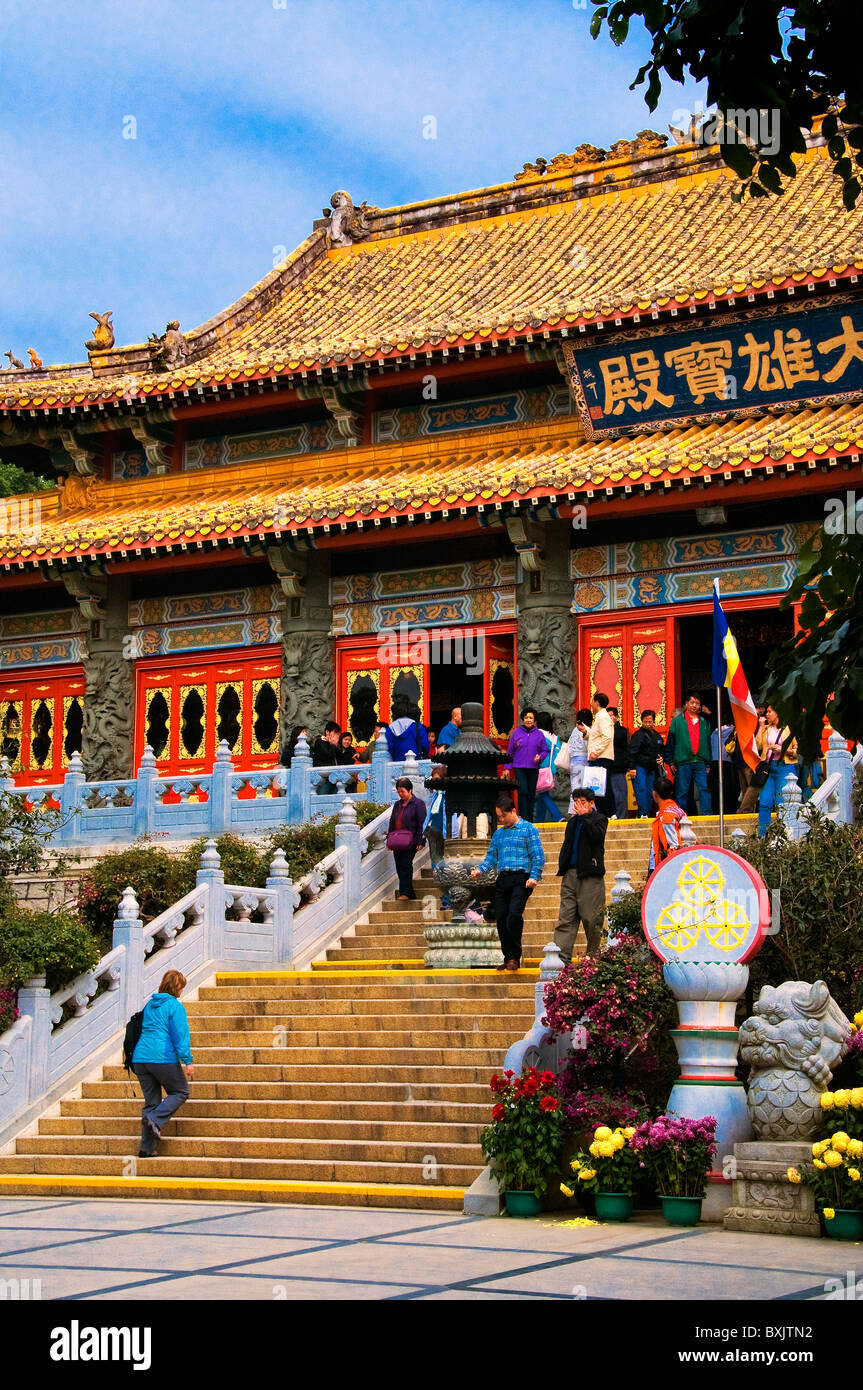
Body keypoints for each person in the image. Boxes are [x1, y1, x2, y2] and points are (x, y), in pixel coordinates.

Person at [471, 792, 544, 971]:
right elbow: (491, 856)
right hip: (503, 878)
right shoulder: (498, 834)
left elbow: (538, 856)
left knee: (513, 916)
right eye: (498, 817)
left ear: (513, 811)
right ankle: (508, 956)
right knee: (501, 918)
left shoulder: (529, 829)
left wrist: (534, 876)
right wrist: (481, 870)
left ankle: (515, 956)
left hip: (522, 878)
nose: (501, 819)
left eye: (503, 815)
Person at [132, 969, 194, 1158]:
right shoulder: (175, 1006)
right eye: (181, 987)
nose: (182, 991)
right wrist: (188, 1061)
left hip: (141, 1058)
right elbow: (180, 1035)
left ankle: (146, 1148)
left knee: (152, 1102)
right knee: (181, 1091)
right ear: (177, 987)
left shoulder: (150, 1004)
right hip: (162, 1057)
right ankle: (155, 1119)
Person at [553, 786, 608, 962]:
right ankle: (561, 960)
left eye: (582, 802)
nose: (579, 805)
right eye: (576, 802)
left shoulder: (599, 819)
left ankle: (593, 957)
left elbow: (596, 837)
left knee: (592, 919)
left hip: (590, 875)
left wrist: (586, 817)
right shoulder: (572, 822)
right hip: (570, 874)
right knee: (565, 919)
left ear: (592, 803)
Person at [666, 693, 712, 815]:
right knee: (682, 791)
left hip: (700, 761)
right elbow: (670, 742)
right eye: (692, 703)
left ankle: (706, 814)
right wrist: (670, 761)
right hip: (683, 761)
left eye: (697, 703)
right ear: (686, 704)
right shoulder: (677, 721)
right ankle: (681, 816)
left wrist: (708, 763)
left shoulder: (703, 722)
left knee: (704, 788)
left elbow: (708, 743)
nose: (694, 706)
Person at [756, 705, 798, 836]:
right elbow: (757, 745)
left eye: (769, 712)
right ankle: (763, 836)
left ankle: (784, 835)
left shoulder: (788, 729)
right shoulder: (766, 729)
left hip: (784, 767)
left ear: (777, 713)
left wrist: (783, 750)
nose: (766, 715)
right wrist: (761, 727)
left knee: (782, 803)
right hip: (768, 768)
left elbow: (797, 751)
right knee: (764, 802)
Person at [505, 706, 548, 824]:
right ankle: (522, 818)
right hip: (519, 767)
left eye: (531, 718)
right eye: (526, 717)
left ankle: (530, 820)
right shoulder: (516, 733)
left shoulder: (539, 734)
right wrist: (507, 768)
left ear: (534, 720)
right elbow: (510, 751)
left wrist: (540, 757)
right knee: (523, 791)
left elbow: (545, 750)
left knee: (531, 793)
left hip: (533, 768)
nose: (528, 720)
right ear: (523, 719)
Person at [387, 776, 426, 899]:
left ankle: (404, 892)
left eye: (402, 791)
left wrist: (421, 841)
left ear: (410, 790)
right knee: (399, 865)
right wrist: (389, 840)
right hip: (397, 841)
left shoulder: (418, 804)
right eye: (398, 791)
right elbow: (392, 822)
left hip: (411, 841)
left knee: (405, 864)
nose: (400, 794)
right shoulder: (397, 805)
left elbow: (422, 824)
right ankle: (410, 893)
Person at [628, 709, 665, 817]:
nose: (648, 724)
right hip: (640, 767)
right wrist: (632, 768)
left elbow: (662, 750)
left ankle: (647, 813)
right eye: (645, 722)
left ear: (654, 722)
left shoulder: (657, 736)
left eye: (650, 721)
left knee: (650, 792)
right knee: (641, 790)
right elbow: (631, 753)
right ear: (642, 721)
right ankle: (642, 813)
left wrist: (662, 758)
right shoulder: (638, 735)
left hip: (652, 768)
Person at [586, 691, 616, 817]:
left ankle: (608, 813)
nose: (591, 704)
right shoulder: (600, 717)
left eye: (592, 701)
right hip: (599, 756)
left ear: (597, 702)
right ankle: (606, 813)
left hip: (601, 757)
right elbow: (598, 736)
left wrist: (595, 752)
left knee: (602, 786)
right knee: (599, 786)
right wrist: (585, 733)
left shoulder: (602, 717)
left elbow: (606, 737)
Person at [648, 777, 686, 872]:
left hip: (669, 865)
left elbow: (674, 846)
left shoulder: (667, 816)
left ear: (655, 794)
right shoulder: (678, 810)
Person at [534, 711, 563, 822]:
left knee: (543, 794)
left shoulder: (538, 734)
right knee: (543, 794)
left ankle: (557, 816)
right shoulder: (555, 738)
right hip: (552, 769)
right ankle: (539, 820)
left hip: (541, 767)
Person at [607, 706, 630, 820]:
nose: (609, 718)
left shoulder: (621, 731)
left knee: (620, 792)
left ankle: (621, 815)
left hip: (618, 766)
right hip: (607, 766)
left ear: (616, 717)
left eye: (611, 715)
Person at [567, 707, 592, 811]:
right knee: (586, 789)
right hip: (584, 761)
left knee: (575, 788)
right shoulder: (587, 730)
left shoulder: (574, 730)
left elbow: (569, 745)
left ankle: (573, 811)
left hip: (573, 761)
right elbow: (589, 746)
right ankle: (584, 810)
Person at [423, 765, 448, 866]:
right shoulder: (435, 795)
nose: (435, 782)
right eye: (433, 779)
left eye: (437, 779)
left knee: (445, 860)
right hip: (434, 830)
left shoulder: (449, 795)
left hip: (445, 831)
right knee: (434, 858)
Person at [312, 719, 341, 795]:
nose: (336, 735)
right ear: (327, 732)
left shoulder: (336, 744)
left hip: (335, 778)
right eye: (335, 732)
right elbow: (327, 756)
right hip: (324, 778)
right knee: (321, 800)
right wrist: (332, 745)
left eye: (338, 733)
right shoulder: (320, 742)